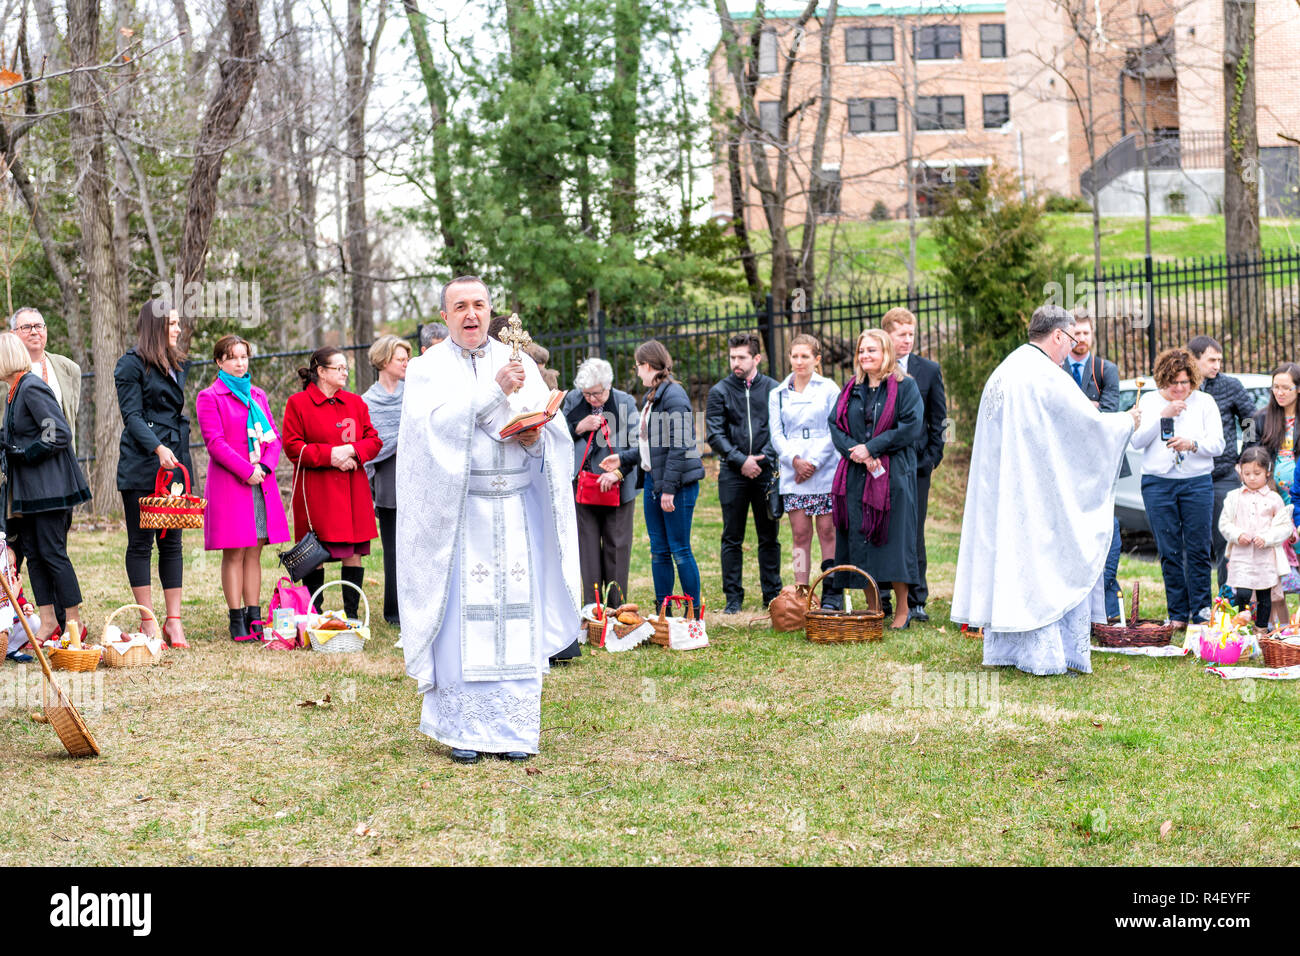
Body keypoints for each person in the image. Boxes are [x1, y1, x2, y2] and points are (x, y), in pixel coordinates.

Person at [397, 275, 581, 764]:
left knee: (517, 617)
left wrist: (535, 438)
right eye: (460, 307)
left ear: (490, 309)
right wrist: (492, 393)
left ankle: (515, 731)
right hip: (460, 516)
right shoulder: (425, 368)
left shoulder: (513, 358)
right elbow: (430, 432)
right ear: (445, 316)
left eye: (479, 304)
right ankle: (465, 731)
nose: (471, 314)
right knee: (464, 619)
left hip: (515, 512)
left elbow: (551, 426)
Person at [954, 306, 1140, 673]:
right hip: (1034, 493)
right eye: (1071, 340)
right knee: (1042, 563)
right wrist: (1125, 421)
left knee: (1015, 560)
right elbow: (1087, 427)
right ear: (1057, 335)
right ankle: (1045, 654)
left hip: (1007, 490)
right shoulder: (1045, 374)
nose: (1071, 348)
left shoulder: (1007, 368)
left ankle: (1012, 650)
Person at [600, 340, 705, 618]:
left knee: (680, 550)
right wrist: (623, 458)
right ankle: (663, 613)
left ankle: (693, 614)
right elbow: (652, 445)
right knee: (659, 550)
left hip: (675, 486)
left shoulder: (674, 395)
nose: (637, 372)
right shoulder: (653, 396)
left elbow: (679, 445)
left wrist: (669, 489)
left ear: (648, 365)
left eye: (638, 366)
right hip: (653, 483)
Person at [195, 335, 290, 641]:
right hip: (232, 485)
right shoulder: (209, 397)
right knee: (234, 552)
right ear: (220, 361)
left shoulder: (258, 395)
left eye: (244, 357)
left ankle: (254, 616)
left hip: (261, 483)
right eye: (233, 357)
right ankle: (236, 617)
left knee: (255, 551)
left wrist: (263, 467)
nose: (240, 363)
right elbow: (215, 443)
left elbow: (273, 436)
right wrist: (246, 470)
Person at [0, 331, 91, 647]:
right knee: (36, 556)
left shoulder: (31, 387)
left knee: (53, 554)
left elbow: (58, 432)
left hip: (50, 490)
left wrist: (26, 453)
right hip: (28, 494)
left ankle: (74, 624)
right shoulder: (13, 392)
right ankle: (48, 620)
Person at [829, 329, 923, 629]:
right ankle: (873, 608)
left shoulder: (904, 387)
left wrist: (872, 448)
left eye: (872, 350)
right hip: (857, 475)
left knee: (895, 541)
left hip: (893, 474)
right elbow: (835, 424)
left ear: (886, 353)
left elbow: (910, 426)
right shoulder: (851, 388)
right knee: (862, 541)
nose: (865, 356)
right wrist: (855, 451)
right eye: (862, 351)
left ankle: (903, 610)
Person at [281, 347, 383, 618]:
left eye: (346, 367)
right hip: (317, 490)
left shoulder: (355, 403)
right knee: (316, 550)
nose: (345, 372)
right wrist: (330, 455)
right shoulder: (298, 404)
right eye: (339, 368)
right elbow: (292, 446)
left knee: (352, 551)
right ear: (321, 372)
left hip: (352, 489)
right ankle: (315, 613)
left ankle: (351, 615)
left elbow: (373, 441)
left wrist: (350, 452)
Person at [115, 300, 192, 648]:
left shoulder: (178, 363)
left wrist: (179, 458)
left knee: (172, 541)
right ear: (156, 326)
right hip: (142, 462)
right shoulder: (130, 365)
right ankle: (148, 621)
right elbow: (131, 416)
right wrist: (158, 448)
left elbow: (177, 415)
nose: (177, 329)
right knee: (141, 543)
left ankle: (173, 622)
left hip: (174, 463)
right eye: (172, 323)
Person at [1130, 347, 1224, 628]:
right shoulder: (1149, 401)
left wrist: (1192, 444)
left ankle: (1202, 608)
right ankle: (1178, 614)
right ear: (1163, 381)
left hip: (1196, 483)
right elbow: (1136, 442)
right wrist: (1164, 414)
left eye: (1185, 382)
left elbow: (1218, 444)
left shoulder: (1205, 402)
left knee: (1197, 548)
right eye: (1174, 383)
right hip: (1159, 484)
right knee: (1169, 548)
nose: (1180, 389)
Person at [706, 332, 782, 613]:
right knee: (732, 536)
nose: (735, 362)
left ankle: (772, 594)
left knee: (769, 535)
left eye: (741, 357)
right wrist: (741, 460)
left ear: (757, 358)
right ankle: (733, 598)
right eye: (732, 357)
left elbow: (779, 429)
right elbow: (715, 433)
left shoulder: (774, 389)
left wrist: (764, 459)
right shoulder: (720, 391)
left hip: (766, 472)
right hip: (733, 473)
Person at [1060, 312, 1127, 623]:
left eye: (1086, 333)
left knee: (1105, 527)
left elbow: (1109, 414)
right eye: (1076, 333)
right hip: (1064, 462)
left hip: (1100, 463)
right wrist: (1089, 407)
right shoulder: (1054, 369)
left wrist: (1082, 411)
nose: (1081, 339)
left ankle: (1106, 611)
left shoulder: (1106, 370)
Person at [881, 307, 947, 623]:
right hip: (880, 465)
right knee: (881, 525)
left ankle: (917, 597)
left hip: (917, 466)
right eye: (901, 335)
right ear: (887, 336)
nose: (907, 341)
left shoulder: (929, 371)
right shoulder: (875, 368)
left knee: (913, 530)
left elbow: (939, 420)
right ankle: (881, 594)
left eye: (911, 335)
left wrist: (931, 458)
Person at [768, 334, 841, 608]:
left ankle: (831, 590)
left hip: (823, 467)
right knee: (799, 533)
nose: (799, 362)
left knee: (827, 530)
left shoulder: (829, 389)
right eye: (795, 356)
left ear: (817, 360)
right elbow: (776, 433)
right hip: (793, 469)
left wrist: (814, 463)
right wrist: (795, 460)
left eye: (805, 356)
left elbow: (836, 428)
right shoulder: (778, 393)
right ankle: (801, 590)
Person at [562, 356, 639, 612]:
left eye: (596, 394)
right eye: (587, 394)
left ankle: (617, 608)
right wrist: (578, 427)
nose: (591, 399)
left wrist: (618, 473)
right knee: (587, 546)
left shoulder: (625, 402)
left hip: (617, 484)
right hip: (584, 485)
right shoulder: (574, 400)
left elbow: (638, 446)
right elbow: (558, 434)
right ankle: (592, 609)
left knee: (617, 546)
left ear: (608, 387)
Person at [1189, 334, 1258, 598]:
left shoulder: (1231, 386)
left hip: (1223, 474)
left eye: (1220, 360)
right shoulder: (1184, 386)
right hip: (1189, 475)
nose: (1217, 365)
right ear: (1194, 360)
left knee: (1225, 542)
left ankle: (1226, 602)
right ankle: (1197, 604)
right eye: (1211, 360)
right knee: (1194, 544)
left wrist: (1245, 457)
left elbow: (1249, 419)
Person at [362, 334, 411, 627]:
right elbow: (371, 443)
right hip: (388, 480)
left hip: (417, 476)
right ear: (383, 361)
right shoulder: (368, 401)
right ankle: (394, 612)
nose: (406, 362)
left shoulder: (414, 394)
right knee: (392, 549)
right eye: (399, 358)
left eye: (406, 357)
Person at [1219, 447, 1294, 631]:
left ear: (1268, 472)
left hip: (1265, 557)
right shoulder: (1234, 497)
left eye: (1257, 473)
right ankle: (1241, 627)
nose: (1252, 477)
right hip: (1242, 556)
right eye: (1247, 473)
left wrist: (1267, 538)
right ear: (1240, 471)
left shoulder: (1274, 499)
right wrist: (1237, 535)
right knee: (1243, 593)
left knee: (1264, 596)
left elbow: (1284, 526)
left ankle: (1261, 630)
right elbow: (1224, 523)